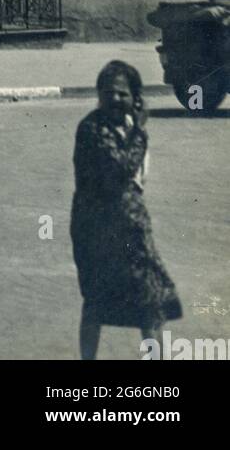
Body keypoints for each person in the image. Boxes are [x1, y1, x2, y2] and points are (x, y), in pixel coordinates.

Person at [70, 60, 181, 360]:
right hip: (98, 232)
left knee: (149, 302)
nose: (115, 100)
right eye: (108, 93)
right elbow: (122, 167)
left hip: (131, 230)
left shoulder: (128, 128)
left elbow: (138, 181)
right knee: (95, 301)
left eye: (122, 94)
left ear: (135, 97)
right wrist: (141, 133)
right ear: (99, 95)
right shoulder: (93, 128)